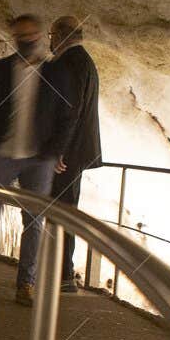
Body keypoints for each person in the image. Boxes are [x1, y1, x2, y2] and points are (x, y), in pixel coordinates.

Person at [0, 14, 72, 306]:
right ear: (13, 37)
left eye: (31, 35)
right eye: (20, 35)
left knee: (34, 220)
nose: (26, 40)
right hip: (3, 153)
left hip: (39, 158)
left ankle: (26, 282)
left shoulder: (56, 74)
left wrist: (54, 151)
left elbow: (68, 116)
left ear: (41, 36)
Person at [44, 16, 102, 293]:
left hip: (66, 156)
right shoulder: (86, 61)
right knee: (64, 209)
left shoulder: (70, 62)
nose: (50, 41)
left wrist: (58, 151)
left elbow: (70, 110)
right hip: (76, 153)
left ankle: (62, 273)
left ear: (60, 35)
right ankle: (61, 271)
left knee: (59, 210)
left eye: (51, 35)